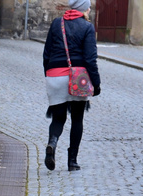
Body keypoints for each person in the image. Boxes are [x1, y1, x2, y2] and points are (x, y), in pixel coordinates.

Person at [42, 0, 101, 171]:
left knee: (58, 118)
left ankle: (52, 143)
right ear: (83, 8)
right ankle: (72, 161)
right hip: (78, 78)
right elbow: (90, 60)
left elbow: (47, 54)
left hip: (54, 76)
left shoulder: (56, 24)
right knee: (77, 119)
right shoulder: (87, 27)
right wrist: (96, 84)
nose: (89, 9)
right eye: (88, 6)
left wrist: (49, 76)